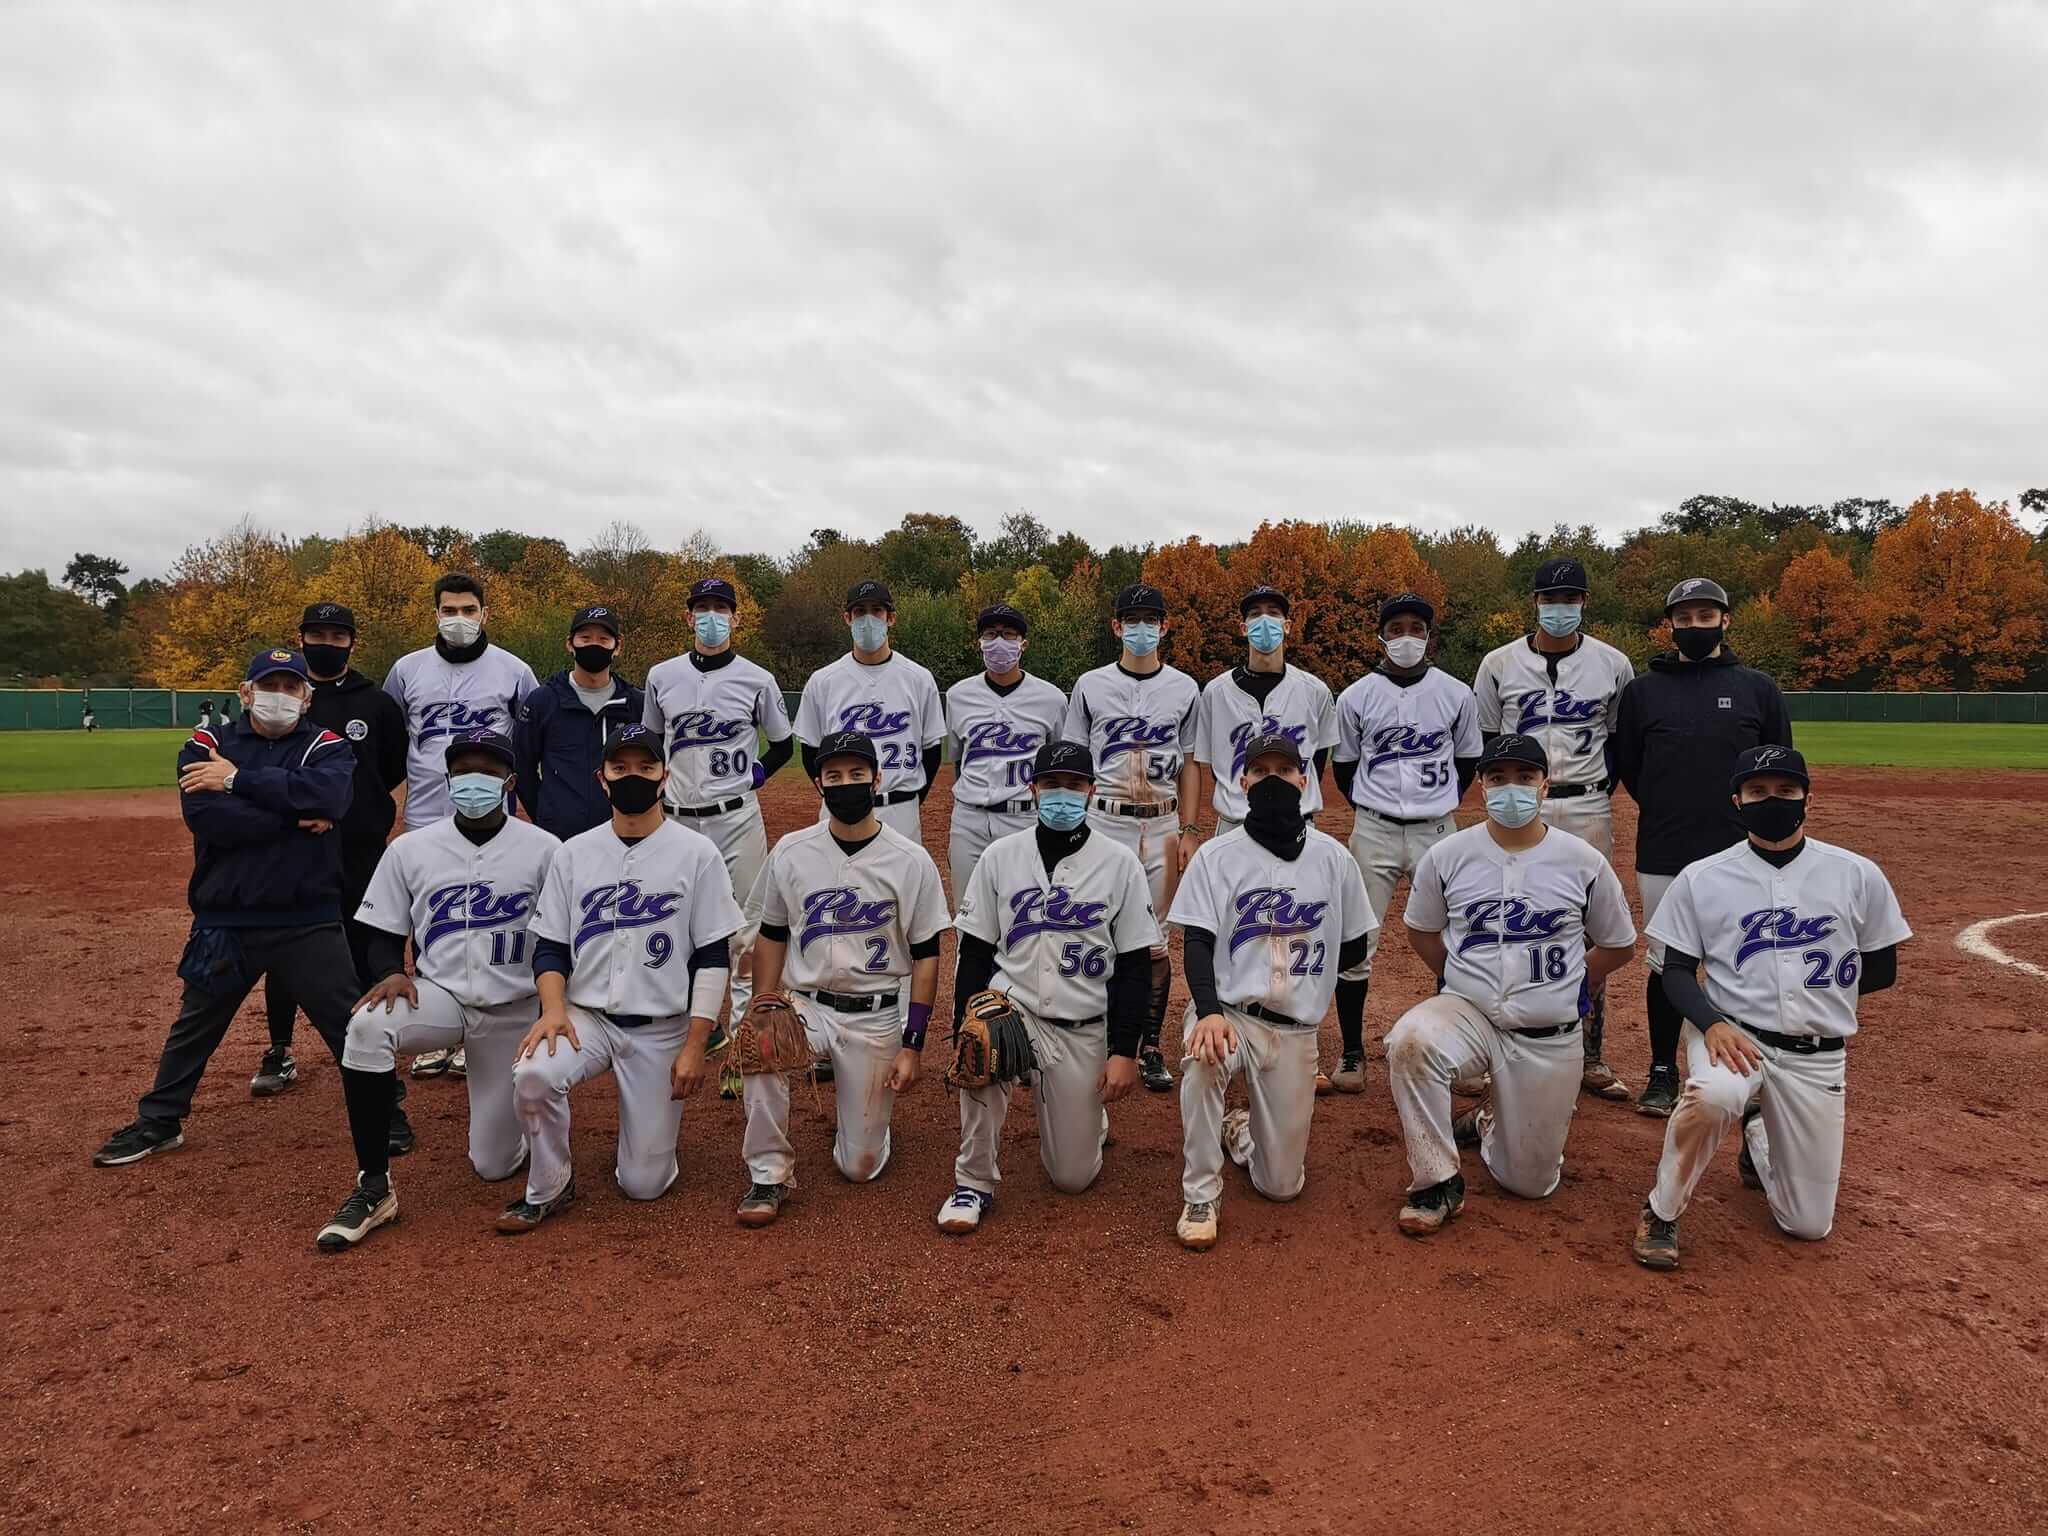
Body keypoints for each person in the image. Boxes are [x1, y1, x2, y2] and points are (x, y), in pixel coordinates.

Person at [1631, 747, 1909, 1270]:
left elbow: (1882, 968)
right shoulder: (1703, 876)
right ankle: (1661, 1211)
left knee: (1808, 1225)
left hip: (1817, 1053)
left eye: (1786, 790)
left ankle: (1757, 1130)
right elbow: (1674, 971)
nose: (1772, 801)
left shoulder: (1856, 874)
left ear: (1807, 797)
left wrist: (1811, 998)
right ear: (1737, 801)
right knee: (1713, 1095)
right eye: (1758, 792)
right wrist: (1712, 1023)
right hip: (1734, 1036)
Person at [93, 651, 359, 1167]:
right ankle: (161, 1119)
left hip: (306, 914)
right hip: (227, 914)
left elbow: (331, 796)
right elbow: (210, 819)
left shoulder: (327, 746)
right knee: (197, 1022)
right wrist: (292, 818)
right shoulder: (206, 744)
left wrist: (238, 782)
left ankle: (384, 1112)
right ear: (245, 692)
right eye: (269, 684)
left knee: (347, 1025)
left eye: (291, 686)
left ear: (307, 697)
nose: (279, 694)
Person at [313, 730, 560, 1251]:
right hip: (441, 998)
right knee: (366, 1027)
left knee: (492, 1167)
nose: (475, 781)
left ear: (510, 783)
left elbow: (563, 937)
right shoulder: (412, 848)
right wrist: (390, 971)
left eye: (488, 772)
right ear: (448, 781)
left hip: (517, 1009)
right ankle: (374, 1185)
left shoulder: (545, 849)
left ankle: (515, 1125)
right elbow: (381, 930)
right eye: (463, 770)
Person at [1383, 734, 1639, 1236]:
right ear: (1480, 787)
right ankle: (1436, 1180)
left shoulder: (1582, 860)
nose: (1511, 789)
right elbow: (1422, 932)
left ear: (1546, 786)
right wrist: (1458, 975)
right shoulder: (1449, 854)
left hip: (1548, 1031)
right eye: (1498, 779)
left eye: (1524, 778)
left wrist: (1576, 978)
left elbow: (1619, 944)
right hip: (1470, 1012)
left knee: (1529, 1184)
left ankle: (1487, 1123)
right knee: (1412, 1041)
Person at [505, 724, 741, 1231]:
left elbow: (713, 955)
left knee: (643, 1186)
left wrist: (697, 1043)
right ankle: (550, 1182)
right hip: (587, 1017)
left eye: (645, 767)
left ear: (664, 777)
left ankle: (650, 1150)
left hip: (663, 1028)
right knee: (532, 1073)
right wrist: (552, 1011)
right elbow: (550, 947)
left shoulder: (697, 854)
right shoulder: (574, 854)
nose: (633, 776)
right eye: (620, 768)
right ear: (602, 778)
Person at [936, 741, 1159, 1234]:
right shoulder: (1000, 857)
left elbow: (1134, 965)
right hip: (1011, 1009)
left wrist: (1125, 1050)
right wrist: (961, 1024)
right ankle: (973, 1180)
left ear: (1092, 792)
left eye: (1075, 785)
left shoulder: (1119, 863)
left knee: (1072, 1178)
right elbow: (974, 952)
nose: (1063, 795)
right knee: (982, 1046)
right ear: (1033, 790)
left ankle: (1088, 1121)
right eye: (1053, 784)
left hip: (1082, 1025)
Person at [734, 731, 949, 1226]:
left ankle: (866, 1122)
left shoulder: (910, 859)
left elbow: (926, 956)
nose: (846, 783)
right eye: (834, 776)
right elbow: (770, 934)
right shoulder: (792, 851)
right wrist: (764, 1003)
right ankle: (767, 1173)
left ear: (878, 779)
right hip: (806, 1004)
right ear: (819, 784)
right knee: (763, 1044)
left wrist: (913, 1043)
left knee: (861, 1167)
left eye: (857, 774)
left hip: (875, 1015)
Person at [1169, 730, 1374, 1251]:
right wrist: (1209, 1011)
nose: (1273, 781)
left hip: (1297, 1029)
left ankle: (1239, 1130)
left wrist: (1303, 969)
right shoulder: (1218, 856)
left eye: (1284, 772)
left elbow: (1354, 949)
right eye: (1261, 772)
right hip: (1232, 1015)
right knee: (1204, 1056)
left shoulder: (1334, 859)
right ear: (1242, 782)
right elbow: (1195, 943)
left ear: (1305, 779)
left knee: (1280, 1186)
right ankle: (1200, 1192)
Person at [1611, 577, 1793, 1118]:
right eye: (1684, 618)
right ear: (1670, 624)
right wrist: (1670, 806)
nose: (1695, 626)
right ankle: (1662, 1070)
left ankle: (1754, 1072)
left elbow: (1778, 766)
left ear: (1725, 620)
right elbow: (1631, 768)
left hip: (1743, 849)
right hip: (1666, 846)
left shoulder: (1757, 687)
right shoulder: (1643, 692)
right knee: (1667, 960)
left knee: (1750, 960)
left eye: (1705, 616)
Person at [1471, 558, 1640, 1101]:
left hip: (1587, 805)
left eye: (1570, 597)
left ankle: (1589, 1052)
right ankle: (1480, 1044)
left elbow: (1619, 744)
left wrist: (1593, 791)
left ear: (1585, 602)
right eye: (1551, 597)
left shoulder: (1613, 665)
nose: (1560, 607)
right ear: (1535, 601)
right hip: (1516, 802)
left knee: (1588, 927)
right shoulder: (1498, 663)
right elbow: (1488, 744)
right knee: (1495, 914)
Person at [260, 603, 411, 1139]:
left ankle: (382, 1074)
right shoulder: (285, 697)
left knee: (368, 951)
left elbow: (391, 766)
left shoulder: (377, 703)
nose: (327, 642)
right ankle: (279, 1050)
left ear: (351, 641)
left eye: (337, 634)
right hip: (295, 850)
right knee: (285, 951)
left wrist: (358, 807)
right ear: (300, 638)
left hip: (360, 849)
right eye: (317, 633)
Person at [384, 572, 538, 1080]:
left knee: (493, 912)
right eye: (449, 610)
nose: (459, 620)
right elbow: (389, 739)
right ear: (435, 613)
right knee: (431, 919)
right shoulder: (407, 671)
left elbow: (528, 739)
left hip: (494, 813)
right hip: (428, 812)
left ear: (485, 613)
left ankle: (489, 1024)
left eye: (468, 610)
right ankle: (439, 1026)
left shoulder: (514, 671)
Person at [1327, 593, 1482, 1094]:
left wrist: (1436, 801)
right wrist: (1373, 808)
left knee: (1456, 938)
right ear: (1382, 635)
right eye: (1396, 628)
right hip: (1373, 827)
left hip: (1437, 830)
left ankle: (1454, 1048)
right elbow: (1344, 767)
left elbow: (1466, 762)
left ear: (1428, 635)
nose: (1406, 637)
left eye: (1416, 628)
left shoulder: (1456, 694)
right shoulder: (1355, 696)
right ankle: (1353, 1052)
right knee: (1356, 941)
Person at [1061, 582, 1201, 1092]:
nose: (1141, 628)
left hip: (1161, 823)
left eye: (1152, 619)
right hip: (1104, 819)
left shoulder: (1186, 689)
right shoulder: (1090, 685)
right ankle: (1098, 1035)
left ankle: (1148, 1046)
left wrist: (1187, 829)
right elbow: (1074, 763)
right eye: (1131, 618)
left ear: (1164, 627)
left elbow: (1189, 764)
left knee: (1157, 941)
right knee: (1096, 928)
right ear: (1116, 626)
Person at [641, 576, 794, 1027]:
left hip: (737, 819)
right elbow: (650, 743)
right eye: (703, 608)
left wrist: (755, 774)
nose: (712, 617)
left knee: (746, 926)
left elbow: (783, 744)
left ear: (736, 617)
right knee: (675, 919)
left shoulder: (757, 679)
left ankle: (744, 1027)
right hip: (677, 819)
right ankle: (682, 1023)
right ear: (688, 617)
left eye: (721, 608)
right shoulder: (661, 676)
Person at [792, 578, 944, 844]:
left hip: (901, 808)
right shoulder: (823, 681)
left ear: (891, 618)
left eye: (877, 610)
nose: (868, 618)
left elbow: (931, 753)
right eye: (860, 611)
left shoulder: (919, 678)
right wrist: (837, 795)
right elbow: (811, 753)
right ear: (847, 618)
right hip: (839, 811)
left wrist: (912, 799)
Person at [1192, 585, 1338, 841]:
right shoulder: (1214, 693)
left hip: (1297, 823)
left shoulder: (1315, 690)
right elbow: (1217, 766)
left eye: (1273, 612)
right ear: (1243, 628)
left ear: (1287, 626)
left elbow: (1318, 758)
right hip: (1234, 825)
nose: (1264, 619)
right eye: (1255, 613)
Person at [943, 602, 1068, 897]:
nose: (999, 641)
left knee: (1023, 911)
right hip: (969, 821)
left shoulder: (1051, 698)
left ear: (1024, 643)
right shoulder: (959, 695)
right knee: (968, 910)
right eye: (990, 634)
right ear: (980, 642)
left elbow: (1058, 763)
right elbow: (960, 761)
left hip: (1024, 819)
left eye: (1009, 634)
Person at [516, 604, 644, 842]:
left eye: (603, 639)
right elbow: (522, 767)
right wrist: (547, 815)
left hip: (623, 836)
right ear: (570, 644)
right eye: (585, 638)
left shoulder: (636, 704)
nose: (594, 645)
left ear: (618, 646)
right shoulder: (543, 702)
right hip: (559, 838)